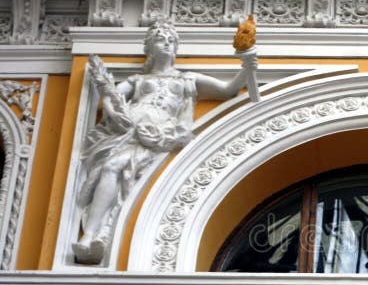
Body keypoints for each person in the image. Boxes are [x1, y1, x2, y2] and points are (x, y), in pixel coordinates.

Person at [72, 20, 259, 264]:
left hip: (162, 136)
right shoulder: (138, 80)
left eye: (171, 40)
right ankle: (90, 235)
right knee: (110, 166)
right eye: (161, 40)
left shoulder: (186, 79)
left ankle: (105, 232)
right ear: (150, 47)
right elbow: (111, 97)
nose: (167, 44)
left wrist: (248, 66)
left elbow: (228, 89)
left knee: (122, 171)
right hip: (132, 132)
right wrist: (114, 114)